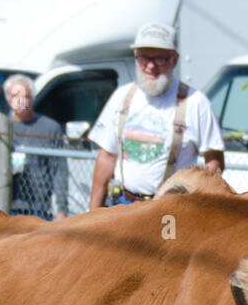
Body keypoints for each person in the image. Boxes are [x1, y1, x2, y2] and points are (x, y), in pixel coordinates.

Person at [87, 22, 224, 208]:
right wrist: (91, 213)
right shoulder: (122, 97)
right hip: (123, 206)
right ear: (136, 57)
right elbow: (107, 157)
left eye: (159, 58)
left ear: (174, 60)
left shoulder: (195, 102)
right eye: (144, 58)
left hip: (172, 209)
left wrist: (199, 204)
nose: (151, 66)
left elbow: (214, 161)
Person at [3, 74, 68, 221]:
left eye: (25, 96)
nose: (20, 101)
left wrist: (61, 209)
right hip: (9, 207)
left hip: (40, 209)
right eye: (15, 96)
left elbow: (59, 171)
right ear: (8, 99)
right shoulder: (1, 128)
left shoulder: (50, 128)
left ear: (32, 98)